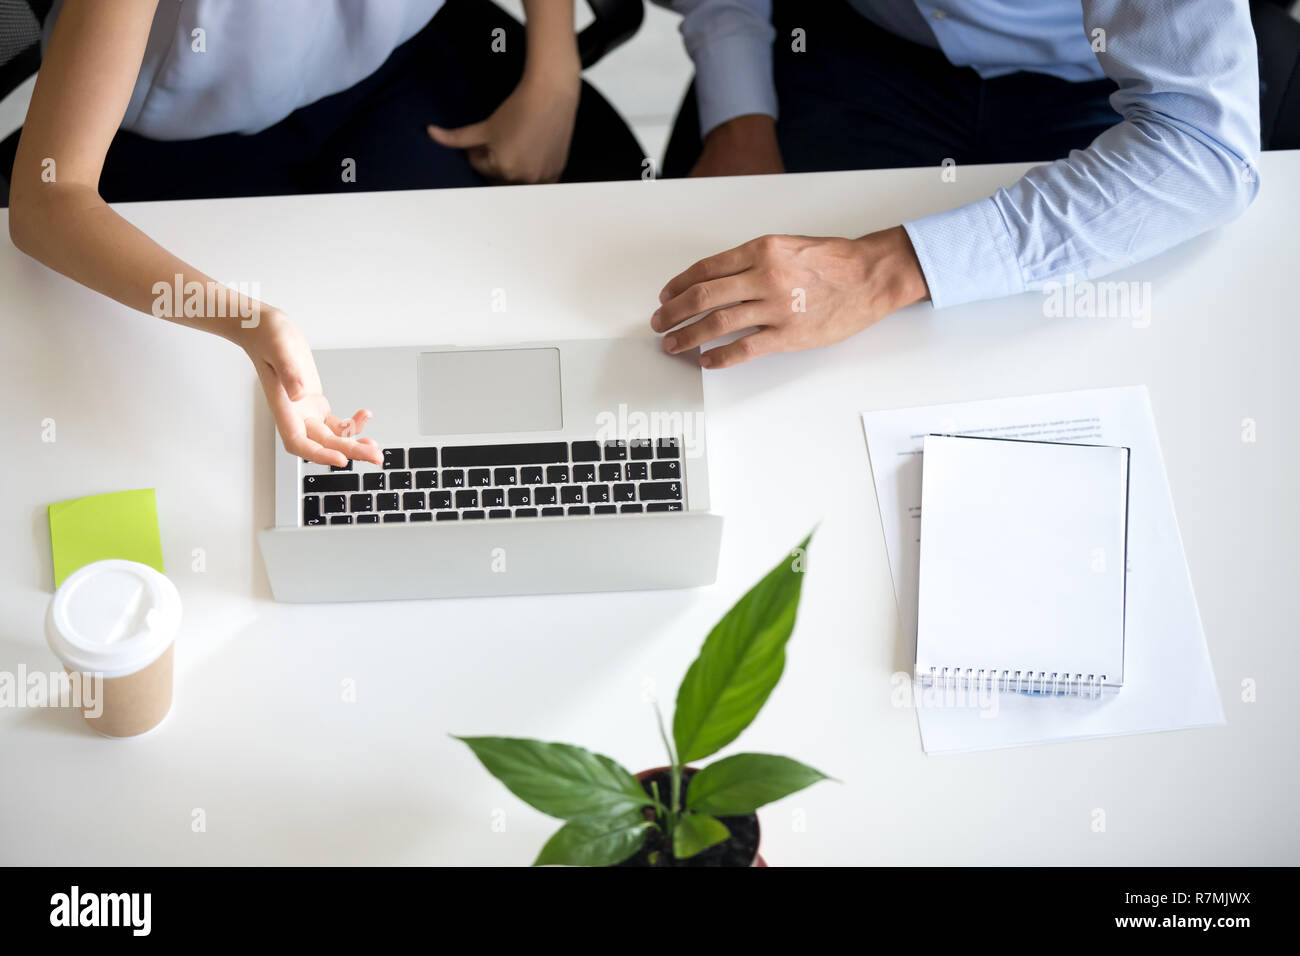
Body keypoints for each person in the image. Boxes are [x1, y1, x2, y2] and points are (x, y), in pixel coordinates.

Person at [7, 0, 644, 466]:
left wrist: (553, 72)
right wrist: (244, 319)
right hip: (185, 139)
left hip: (392, 70)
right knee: (188, 432)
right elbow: (46, 199)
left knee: (458, 355)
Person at [652, 0, 1261, 369]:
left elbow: (1204, 148)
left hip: (1100, 76)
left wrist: (884, 270)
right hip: (862, 43)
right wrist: (739, 117)